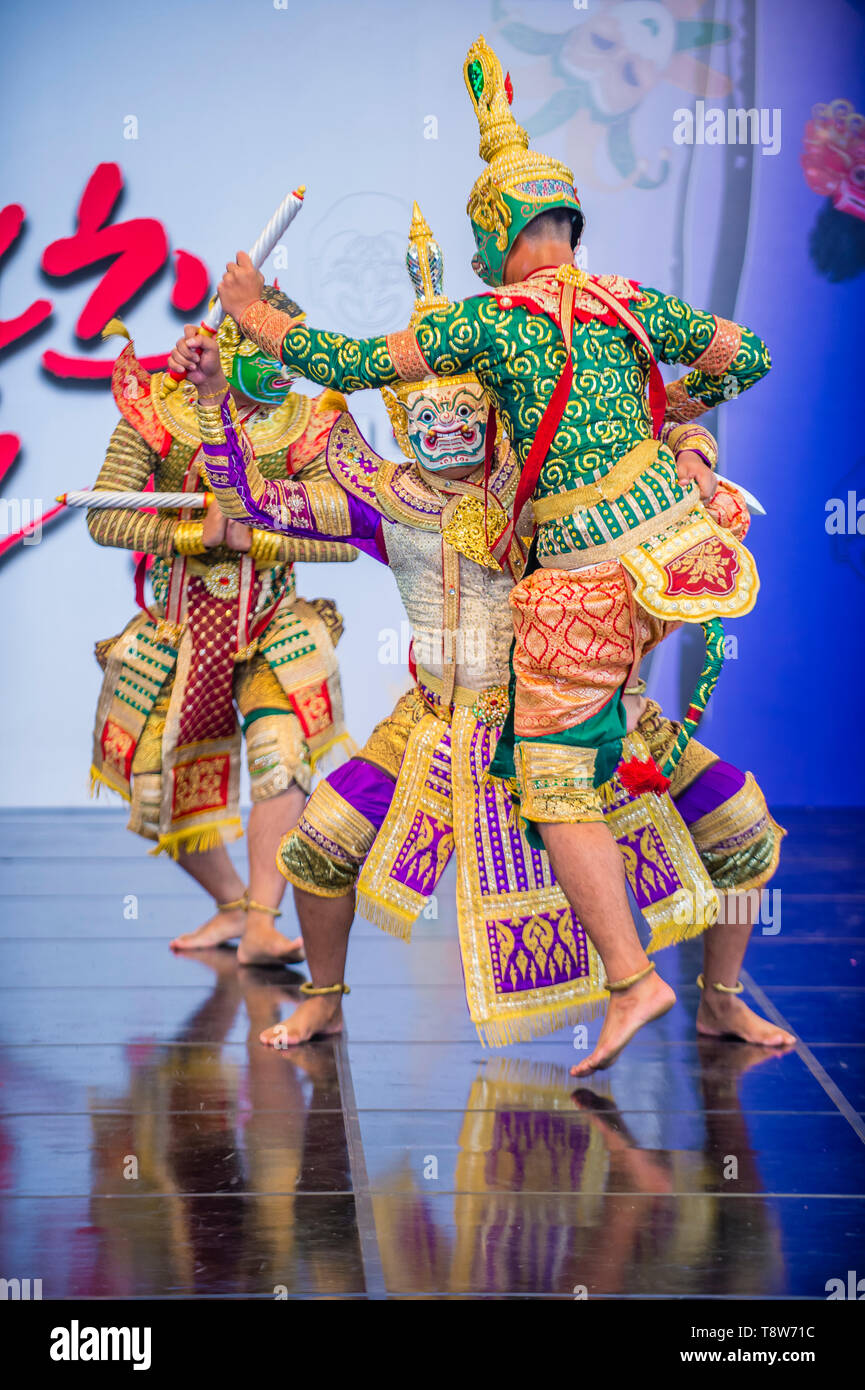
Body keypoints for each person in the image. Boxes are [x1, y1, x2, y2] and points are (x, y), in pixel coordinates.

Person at [169, 207, 790, 1058]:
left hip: (580, 707)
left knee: (744, 830)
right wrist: (211, 400)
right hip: (439, 725)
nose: (449, 428)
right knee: (317, 850)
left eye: (468, 409)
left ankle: (718, 999)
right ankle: (323, 997)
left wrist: (692, 448)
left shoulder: (537, 478)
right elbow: (251, 509)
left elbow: (646, 419)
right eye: (427, 414)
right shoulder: (378, 498)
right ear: (399, 419)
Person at [89, 288, 357, 965]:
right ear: (222, 348)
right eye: (269, 347)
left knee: (281, 756)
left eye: (291, 346)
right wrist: (189, 532)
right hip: (176, 627)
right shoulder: (159, 411)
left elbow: (351, 531)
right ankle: (234, 905)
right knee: (153, 783)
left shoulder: (309, 421)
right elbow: (103, 515)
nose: (285, 365)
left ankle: (264, 922)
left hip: (271, 625)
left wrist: (259, 534)